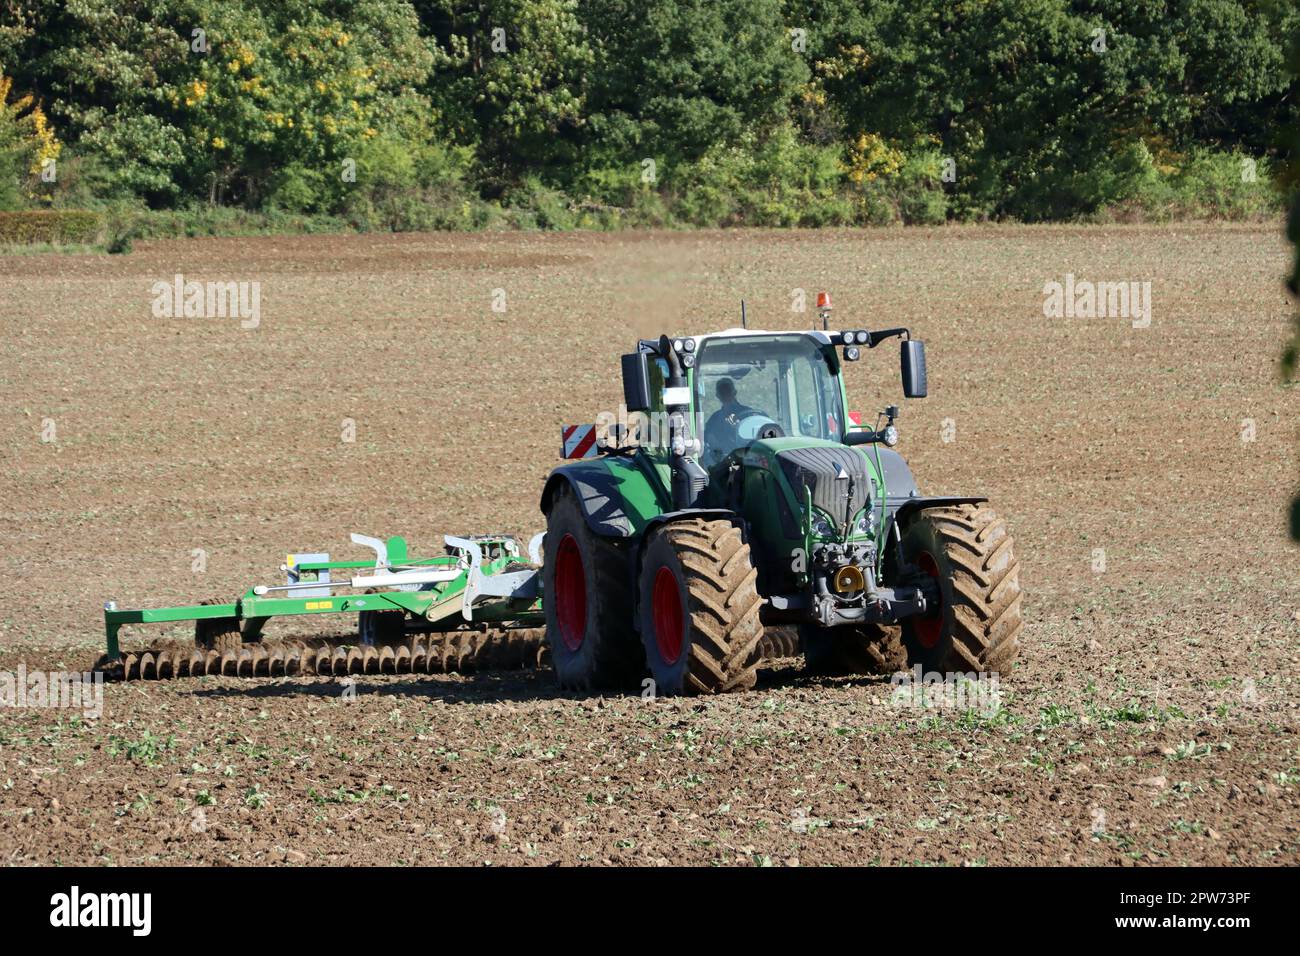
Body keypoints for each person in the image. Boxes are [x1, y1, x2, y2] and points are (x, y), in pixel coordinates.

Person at [703, 377, 760, 462]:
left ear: (734, 392)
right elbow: (709, 441)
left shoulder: (750, 414)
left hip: (750, 459)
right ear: (718, 396)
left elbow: (759, 436)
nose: (726, 394)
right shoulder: (714, 420)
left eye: (728, 391)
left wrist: (738, 427)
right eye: (722, 392)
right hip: (726, 462)